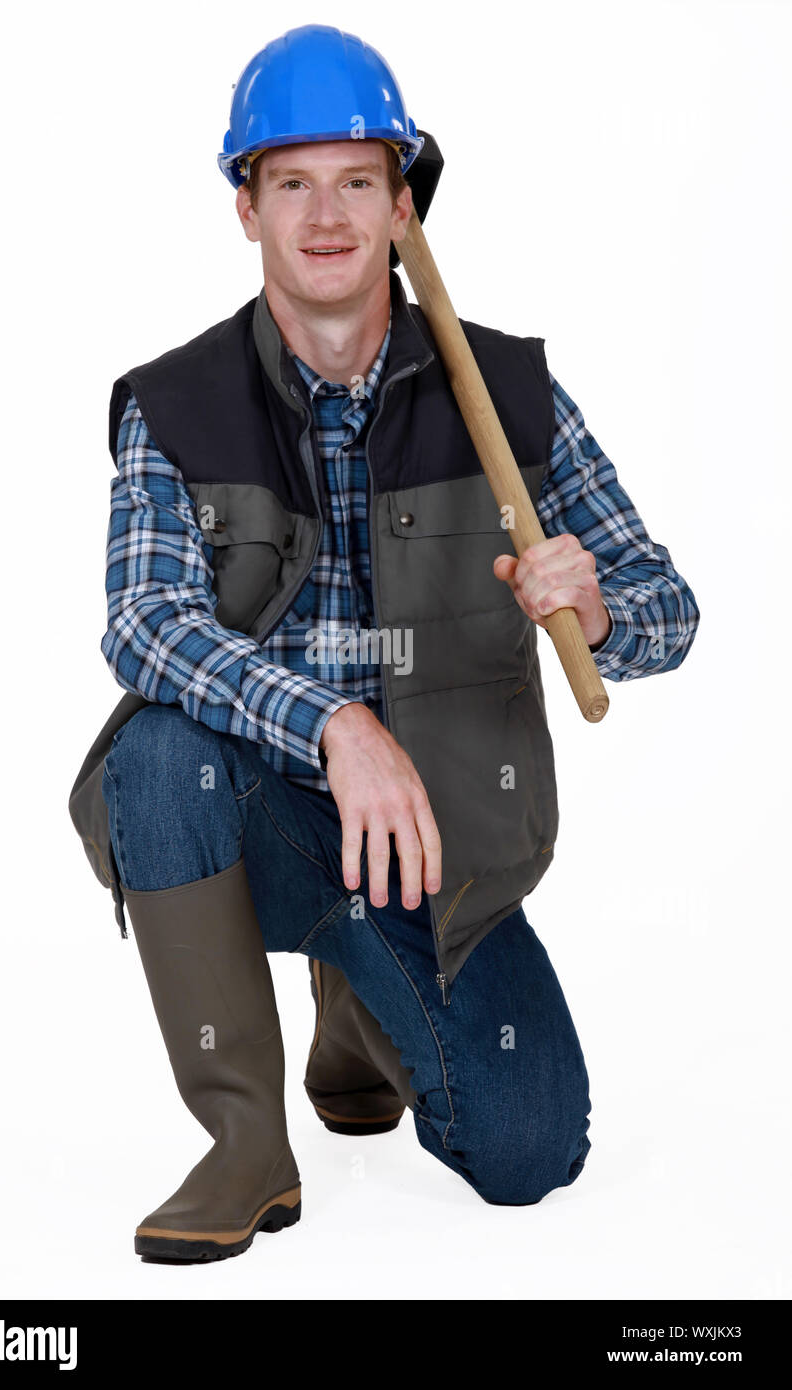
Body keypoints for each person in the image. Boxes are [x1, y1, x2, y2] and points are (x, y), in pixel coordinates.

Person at [68, 23, 700, 1263]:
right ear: (242, 207)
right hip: (268, 823)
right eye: (289, 182)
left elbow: (666, 606)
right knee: (156, 754)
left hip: (439, 858)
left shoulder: (509, 397)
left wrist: (600, 603)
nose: (324, 216)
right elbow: (145, 624)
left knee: (529, 1155)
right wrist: (332, 725)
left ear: (401, 206)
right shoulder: (173, 404)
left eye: (356, 181)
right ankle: (245, 1141)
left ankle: (356, 1009)